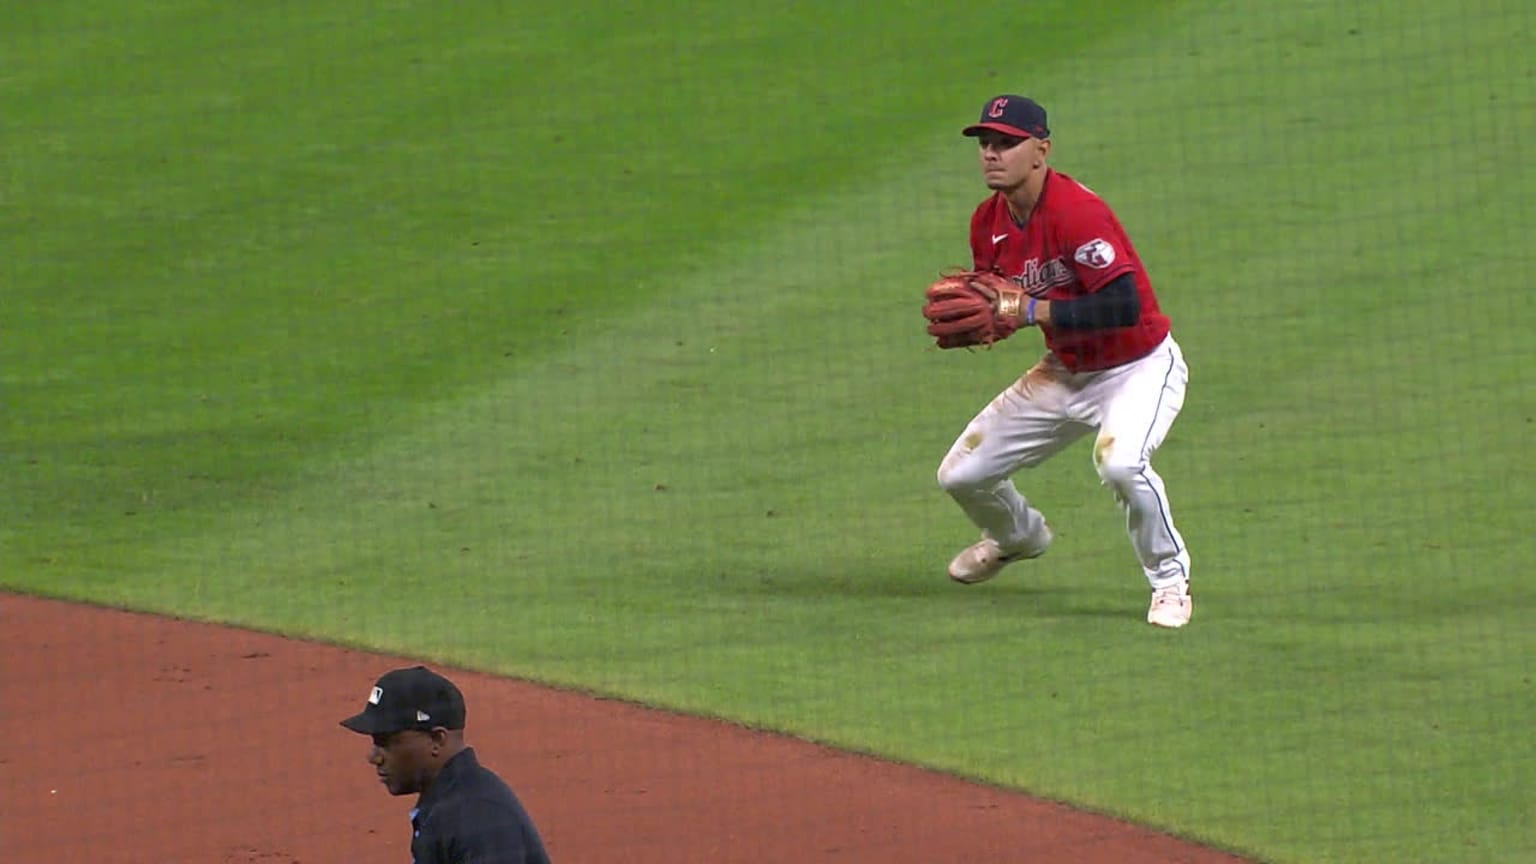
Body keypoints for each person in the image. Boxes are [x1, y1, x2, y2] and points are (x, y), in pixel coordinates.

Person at [933, 94, 1194, 628]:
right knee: (961, 474)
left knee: (1120, 463)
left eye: (1006, 143)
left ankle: (1169, 582)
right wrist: (990, 319)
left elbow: (1122, 305)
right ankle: (1018, 537)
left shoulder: (1077, 212)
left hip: (1137, 367)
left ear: (1041, 150)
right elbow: (1005, 303)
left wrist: (1030, 310)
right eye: (985, 144)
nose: (991, 154)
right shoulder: (987, 223)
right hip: (1065, 371)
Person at [340, 665, 551, 863]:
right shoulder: (449, 799)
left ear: (437, 740)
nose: (374, 756)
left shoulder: (478, 817)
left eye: (385, 742)